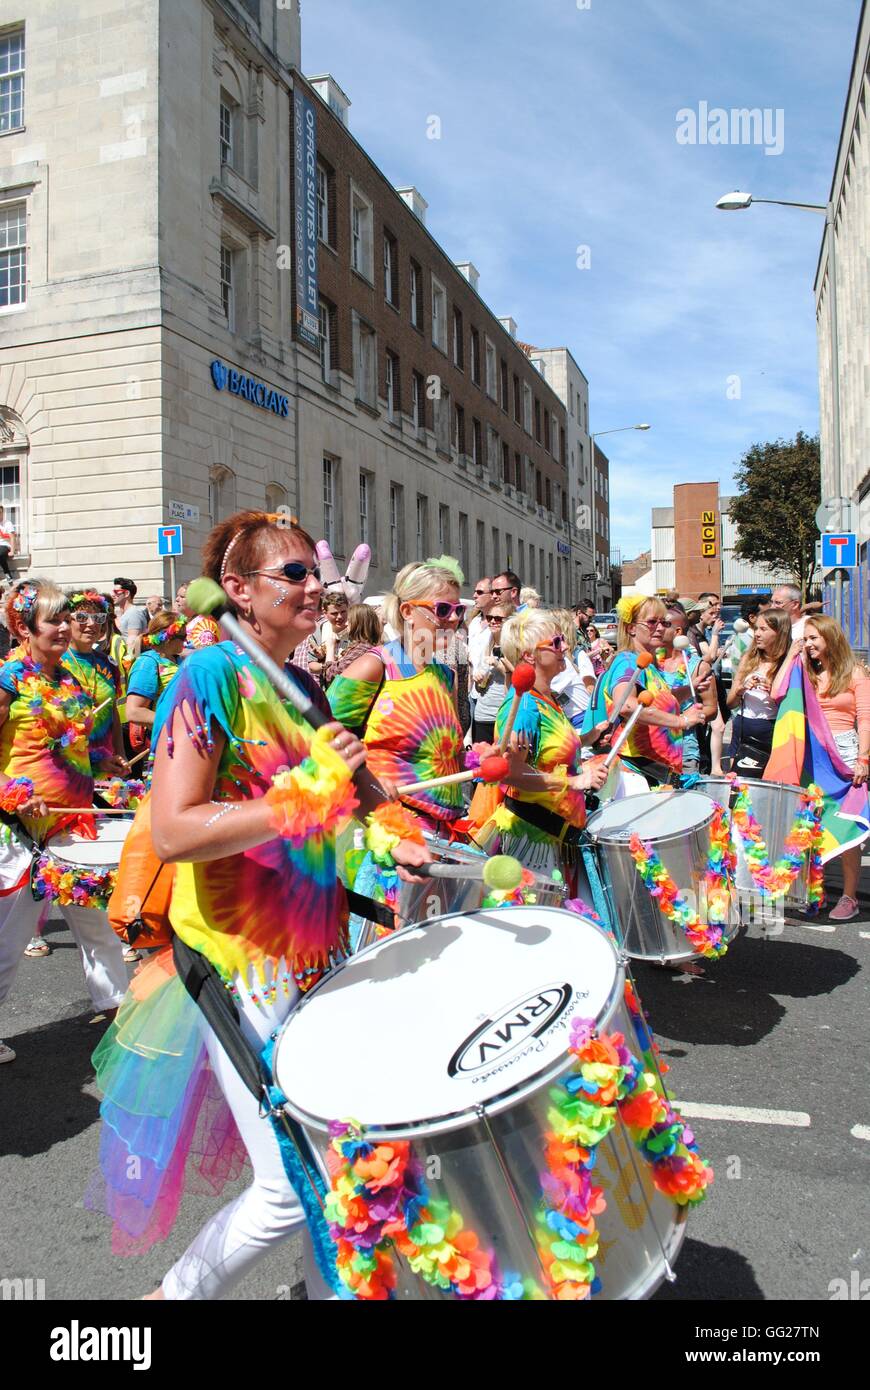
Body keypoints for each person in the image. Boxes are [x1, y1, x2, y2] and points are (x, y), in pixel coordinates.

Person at [89, 508, 429, 1296]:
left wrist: (391, 840)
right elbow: (176, 829)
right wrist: (300, 803)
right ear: (237, 591)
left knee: (341, 1155)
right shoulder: (207, 677)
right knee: (284, 1188)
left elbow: (346, 806)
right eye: (296, 574)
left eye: (318, 570)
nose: (318, 584)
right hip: (243, 964)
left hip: (314, 949)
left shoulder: (304, 685)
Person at [0, 580, 129, 1062]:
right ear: (23, 627)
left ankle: (119, 1014)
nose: (65, 628)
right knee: (7, 939)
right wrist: (11, 796)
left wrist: (101, 762)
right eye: (53, 619)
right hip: (17, 832)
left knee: (96, 924)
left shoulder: (67, 679)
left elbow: (66, 747)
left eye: (64, 618)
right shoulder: (9, 679)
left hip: (73, 822)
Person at [327, 557, 467, 832]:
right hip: (387, 830)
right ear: (407, 611)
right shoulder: (375, 666)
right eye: (442, 609)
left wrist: (480, 759)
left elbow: (446, 754)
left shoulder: (444, 675)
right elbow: (320, 742)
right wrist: (368, 783)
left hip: (444, 831)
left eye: (458, 610)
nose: (453, 619)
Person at [484, 609, 607, 892]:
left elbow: (549, 755)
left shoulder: (546, 698)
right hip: (532, 844)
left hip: (555, 838)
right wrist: (575, 781)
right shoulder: (525, 706)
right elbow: (509, 772)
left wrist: (588, 738)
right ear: (529, 655)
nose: (564, 647)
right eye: (555, 643)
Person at [788, 615, 870, 919]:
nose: (808, 644)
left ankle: (849, 897)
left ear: (829, 638)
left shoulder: (855, 673)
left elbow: (865, 719)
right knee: (812, 825)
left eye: (813, 639)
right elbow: (778, 695)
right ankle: (814, 891)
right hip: (812, 757)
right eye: (805, 639)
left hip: (847, 755)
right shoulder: (805, 674)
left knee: (847, 825)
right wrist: (792, 655)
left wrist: (864, 758)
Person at [582, 594, 705, 786]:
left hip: (654, 772)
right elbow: (627, 705)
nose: (660, 627)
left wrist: (691, 688)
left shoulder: (647, 664)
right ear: (631, 628)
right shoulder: (629, 662)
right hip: (636, 774)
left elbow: (655, 702)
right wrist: (682, 721)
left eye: (664, 622)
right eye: (651, 622)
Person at [726, 609, 791, 779]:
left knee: (766, 782)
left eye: (763, 629)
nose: (757, 634)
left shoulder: (789, 662)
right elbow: (730, 702)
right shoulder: (749, 657)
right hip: (743, 724)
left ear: (779, 633)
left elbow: (794, 705)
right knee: (736, 782)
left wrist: (773, 690)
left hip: (771, 728)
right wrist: (741, 690)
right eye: (756, 629)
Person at [659, 603, 719, 778]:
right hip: (653, 748)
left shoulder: (698, 666)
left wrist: (691, 717)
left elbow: (711, 708)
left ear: (678, 632)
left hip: (684, 748)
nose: (658, 628)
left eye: (665, 624)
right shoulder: (652, 663)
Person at [125, 611, 185, 747]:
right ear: (168, 637)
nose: (186, 640)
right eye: (182, 636)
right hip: (162, 743)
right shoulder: (147, 663)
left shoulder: (178, 659)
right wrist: (179, 722)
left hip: (181, 740)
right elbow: (134, 711)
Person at [470, 601, 516, 743]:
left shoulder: (513, 646)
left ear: (509, 621)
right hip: (482, 714)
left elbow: (518, 678)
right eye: (490, 618)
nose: (493, 622)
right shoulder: (488, 643)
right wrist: (478, 681)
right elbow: (482, 685)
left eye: (498, 619)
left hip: (502, 716)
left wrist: (497, 664)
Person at [550, 608, 596, 728]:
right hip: (568, 720)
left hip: (582, 722)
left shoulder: (571, 658)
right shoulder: (560, 659)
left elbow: (590, 687)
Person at [323, 602, 382, 686]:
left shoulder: (362, 649)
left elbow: (330, 676)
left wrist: (330, 648)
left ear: (358, 624)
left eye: (349, 621)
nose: (346, 624)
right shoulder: (368, 646)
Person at [112, 578, 148, 657]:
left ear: (127, 593)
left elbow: (133, 642)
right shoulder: (119, 613)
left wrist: (128, 665)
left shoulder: (134, 613)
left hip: (128, 661)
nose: (113, 595)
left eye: (116, 592)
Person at [0, 506, 16, 579]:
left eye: (0, 512)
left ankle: (7, 574)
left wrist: (12, 551)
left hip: (5, 546)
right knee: (2, 558)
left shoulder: (7, 523)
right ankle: (8, 575)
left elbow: (12, 537)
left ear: (2, 513)